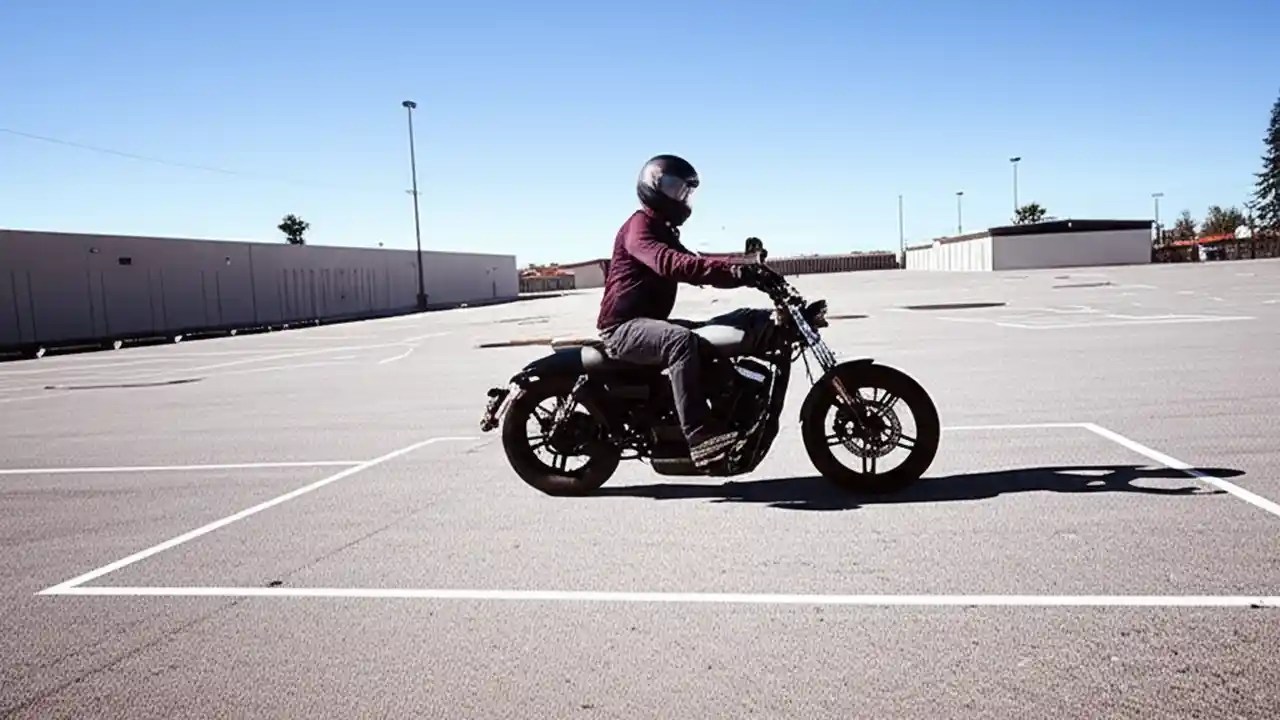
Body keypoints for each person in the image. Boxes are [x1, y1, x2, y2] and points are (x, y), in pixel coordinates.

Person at [595, 154, 770, 468]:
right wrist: (735, 271)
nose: (680, 196)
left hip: (648, 322)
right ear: (652, 185)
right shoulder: (639, 226)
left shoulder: (662, 229)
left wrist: (745, 268)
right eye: (674, 187)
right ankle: (700, 438)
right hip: (622, 327)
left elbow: (697, 263)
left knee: (713, 331)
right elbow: (672, 263)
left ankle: (729, 406)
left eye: (685, 191)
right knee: (680, 342)